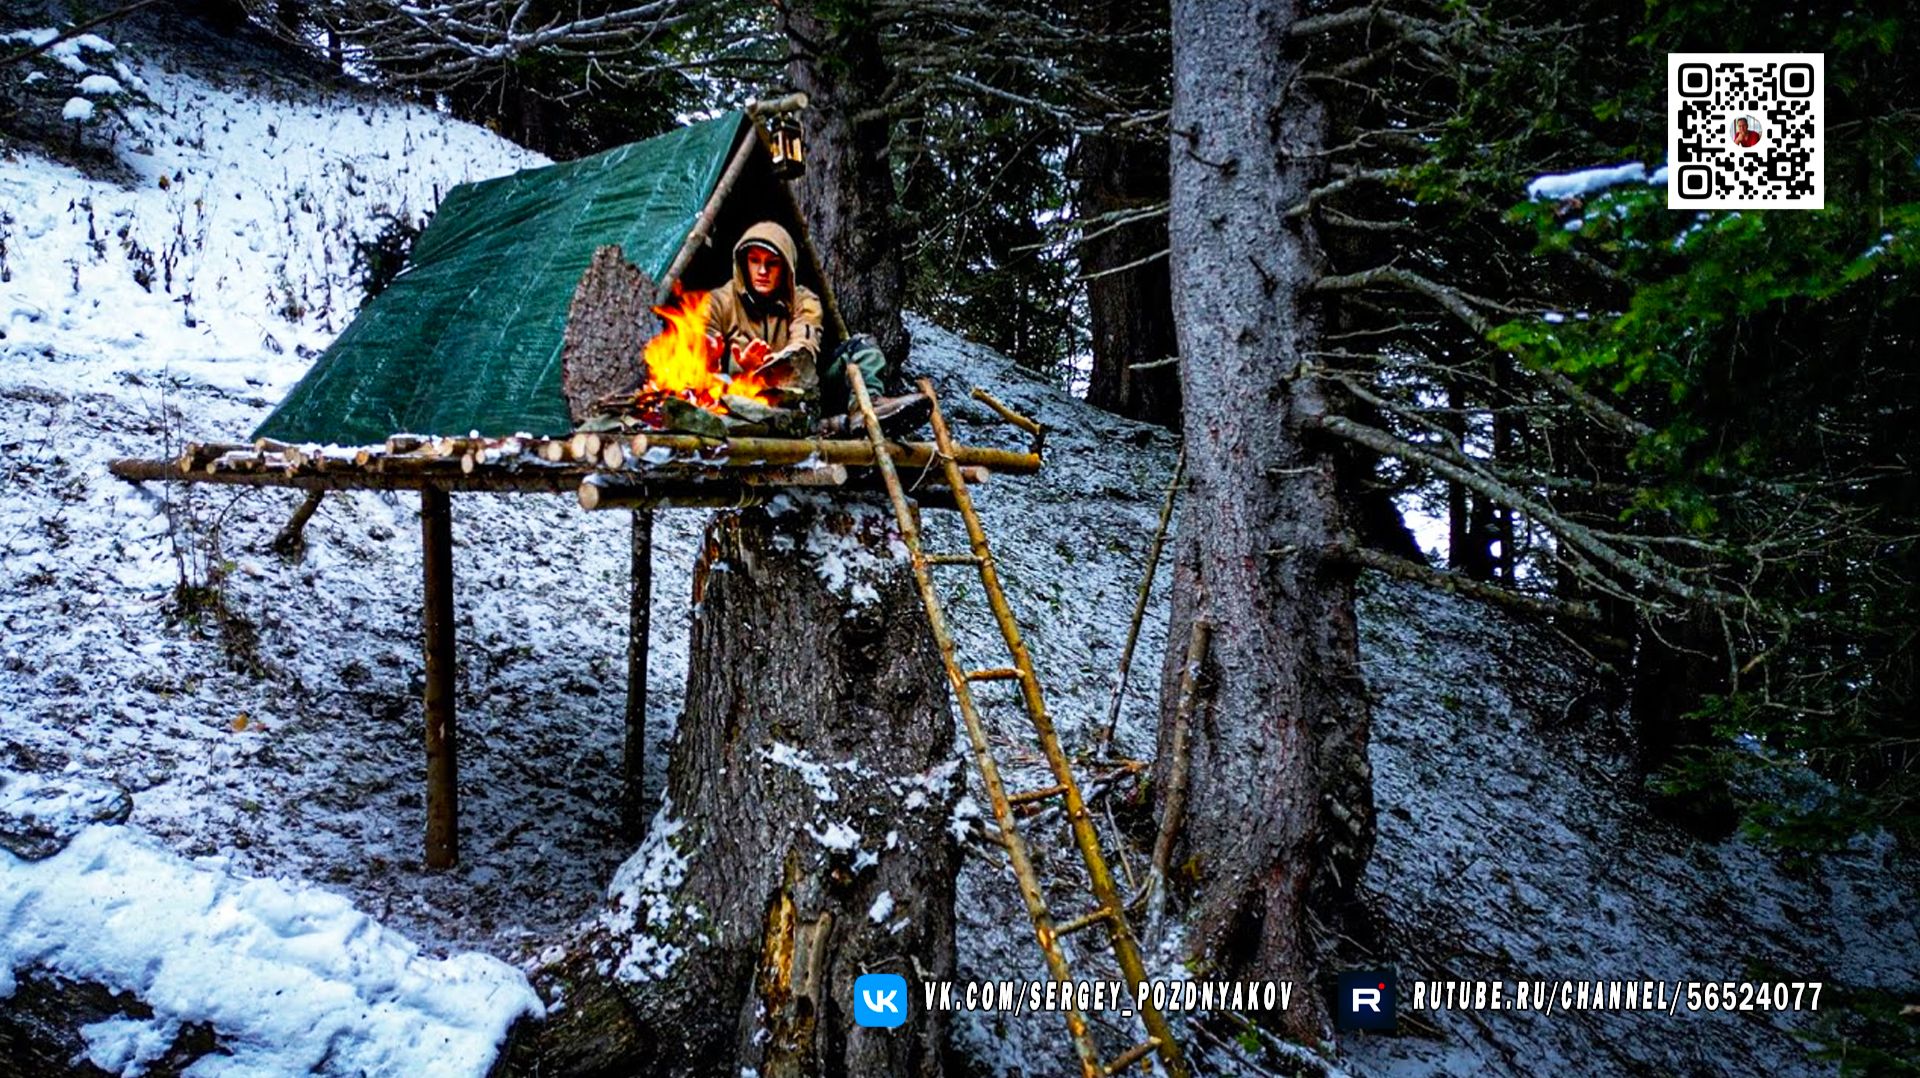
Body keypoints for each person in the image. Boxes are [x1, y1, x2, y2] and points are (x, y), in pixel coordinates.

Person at [705, 221, 928, 436]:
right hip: (740, 395)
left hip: (798, 391)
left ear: (785, 267)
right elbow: (703, 354)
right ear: (744, 263)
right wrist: (742, 368)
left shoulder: (803, 299)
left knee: (862, 347)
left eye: (771, 263)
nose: (762, 271)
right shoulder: (720, 301)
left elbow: (804, 342)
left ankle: (866, 407)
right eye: (754, 261)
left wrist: (776, 365)